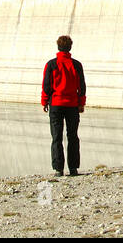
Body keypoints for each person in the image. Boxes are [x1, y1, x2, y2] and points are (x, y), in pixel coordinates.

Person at [41, 35, 86, 177]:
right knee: (73, 136)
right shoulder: (77, 65)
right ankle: (73, 169)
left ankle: (58, 169)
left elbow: (47, 85)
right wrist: (81, 103)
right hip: (72, 105)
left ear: (58, 47)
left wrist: (44, 101)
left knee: (56, 137)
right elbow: (82, 86)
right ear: (70, 47)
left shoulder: (51, 64)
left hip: (56, 105)